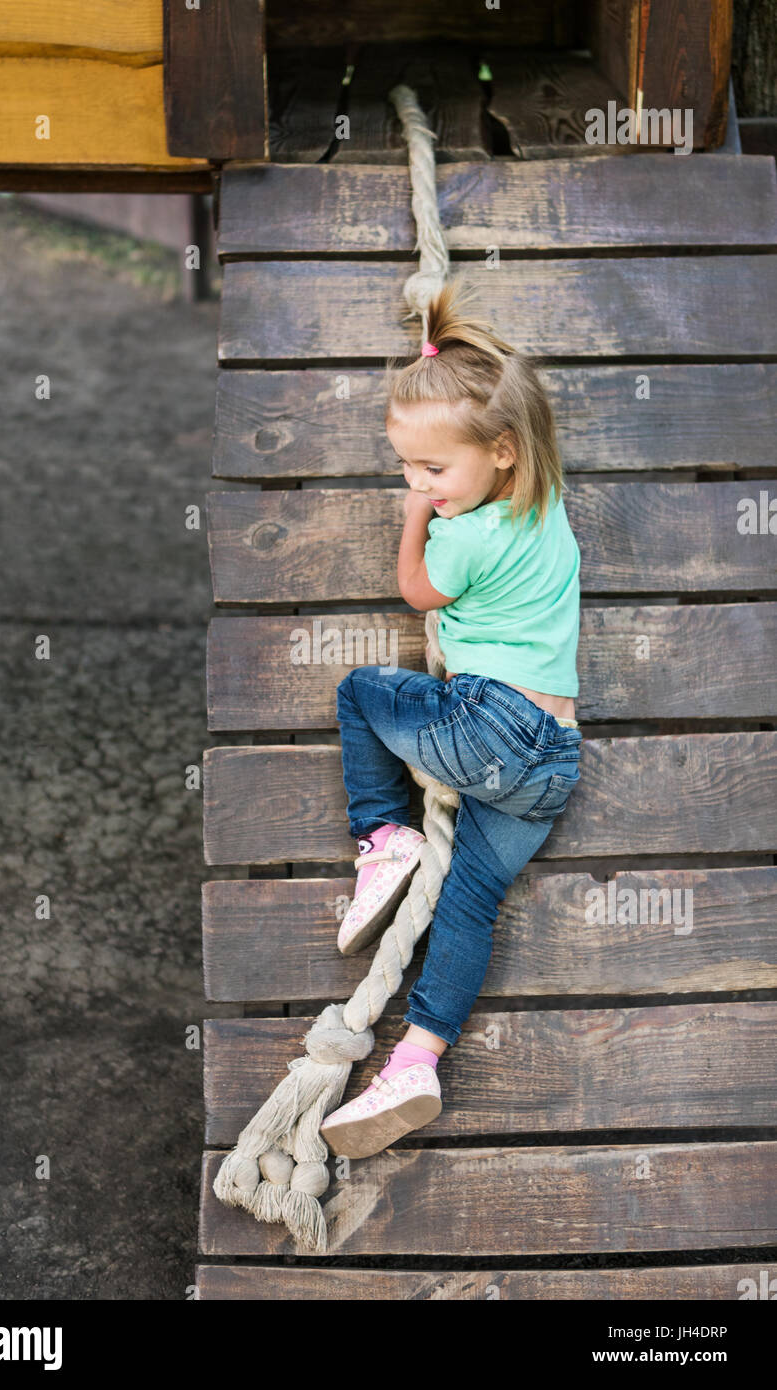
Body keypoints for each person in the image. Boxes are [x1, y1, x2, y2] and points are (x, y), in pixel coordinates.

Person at [320, 276, 583, 1159]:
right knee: (469, 902)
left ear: (503, 451)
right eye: (407, 469)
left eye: (433, 470)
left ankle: (385, 838)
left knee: (362, 692)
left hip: (490, 723)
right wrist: (438, 478)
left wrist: (410, 522)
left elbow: (416, 591)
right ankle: (419, 1060)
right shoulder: (547, 508)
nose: (420, 484)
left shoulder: (460, 533)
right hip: (553, 763)